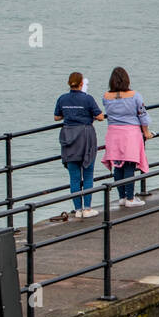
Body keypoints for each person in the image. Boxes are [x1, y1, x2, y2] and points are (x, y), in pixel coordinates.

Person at [55, 72, 104, 217]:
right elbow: (100, 116)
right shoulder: (87, 99)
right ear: (82, 84)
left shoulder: (62, 98)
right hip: (86, 136)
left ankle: (77, 209)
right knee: (88, 173)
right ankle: (87, 208)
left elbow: (57, 117)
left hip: (69, 136)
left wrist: (70, 114)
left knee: (74, 177)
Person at [101, 67, 150, 208]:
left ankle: (121, 197)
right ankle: (130, 198)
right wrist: (146, 132)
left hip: (113, 133)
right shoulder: (135, 96)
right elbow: (142, 115)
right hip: (130, 133)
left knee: (117, 165)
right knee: (129, 164)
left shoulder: (106, 96)